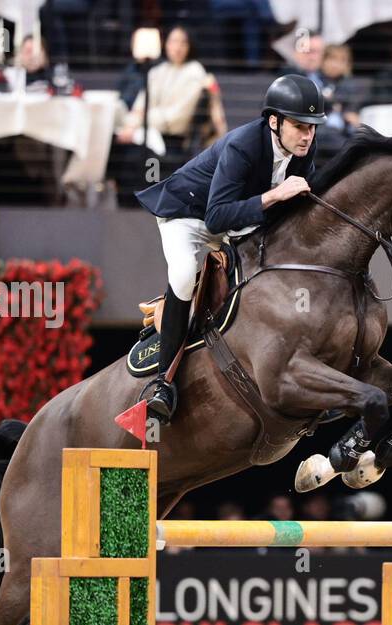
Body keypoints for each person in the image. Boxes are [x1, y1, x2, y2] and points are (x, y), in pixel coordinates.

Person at [133, 74, 322, 424]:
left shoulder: (303, 149)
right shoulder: (243, 145)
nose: (308, 135)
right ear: (274, 121)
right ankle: (163, 385)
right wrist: (274, 196)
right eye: (299, 126)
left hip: (239, 222)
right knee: (185, 275)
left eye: (312, 126)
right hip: (188, 218)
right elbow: (216, 217)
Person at [112, 26, 208, 205]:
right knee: (118, 149)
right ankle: (125, 203)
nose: (177, 47)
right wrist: (131, 126)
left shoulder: (195, 72)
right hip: (144, 131)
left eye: (183, 42)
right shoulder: (158, 71)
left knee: (142, 159)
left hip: (171, 138)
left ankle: (146, 202)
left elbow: (178, 117)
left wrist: (141, 123)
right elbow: (140, 106)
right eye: (173, 41)